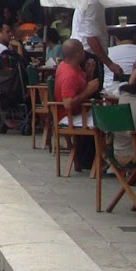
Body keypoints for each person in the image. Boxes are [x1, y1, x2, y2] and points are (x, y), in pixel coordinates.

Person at [53, 37, 99, 171]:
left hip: (77, 113)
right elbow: (68, 103)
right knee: (103, 122)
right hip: (69, 115)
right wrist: (88, 91)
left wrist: (88, 75)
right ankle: (91, 162)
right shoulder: (69, 74)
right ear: (78, 54)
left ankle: (88, 160)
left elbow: (80, 86)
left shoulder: (68, 66)